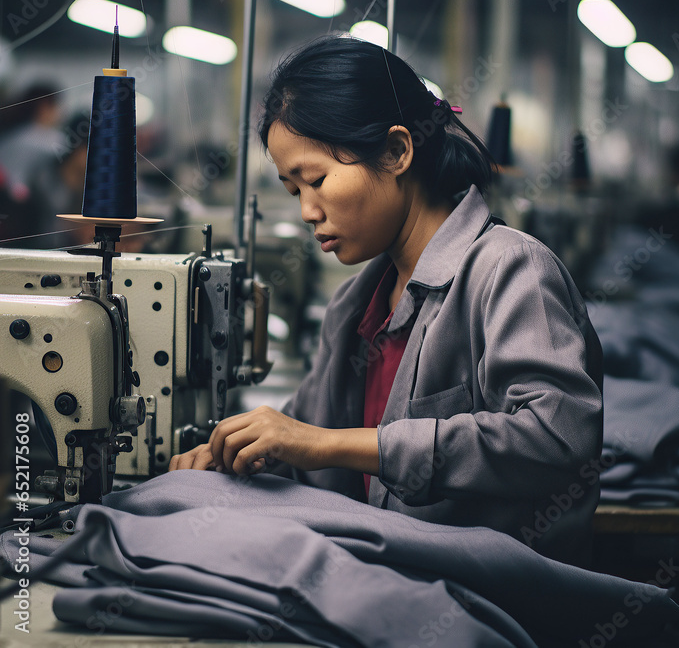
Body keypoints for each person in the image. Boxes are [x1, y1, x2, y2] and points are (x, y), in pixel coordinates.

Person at [169, 36, 604, 565]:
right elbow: (303, 441)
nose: (307, 212)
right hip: (384, 575)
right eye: (294, 191)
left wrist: (327, 444)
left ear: (397, 151)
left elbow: (557, 439)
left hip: (488, 592)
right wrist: (233, 457)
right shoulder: (357, 305)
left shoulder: (511, 270)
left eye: (317, 180)